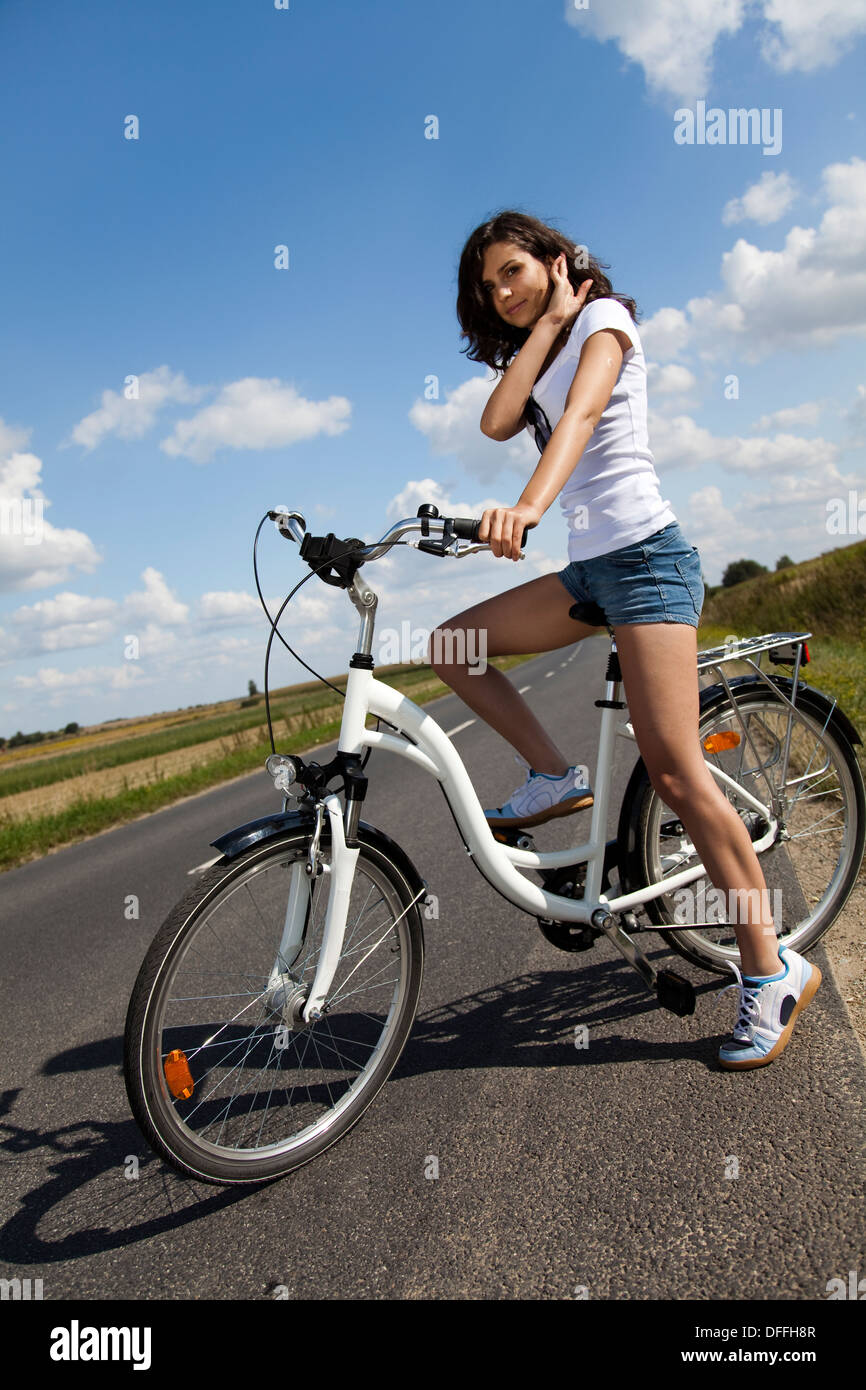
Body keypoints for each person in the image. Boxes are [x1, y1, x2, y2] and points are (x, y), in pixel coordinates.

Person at [427, 209, 821, 1069]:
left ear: (556, 261)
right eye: (488, 286)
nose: (500, 293)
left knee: (676, 770)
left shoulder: (608, 323)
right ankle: (553, 774)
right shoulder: (557, 336)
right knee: (452, 644)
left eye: (512, 273)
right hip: (592, 574)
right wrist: (543, 324)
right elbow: (498, 421)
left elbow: (578, 420)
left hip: (645, 562)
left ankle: (771, 969)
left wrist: (529, 506)